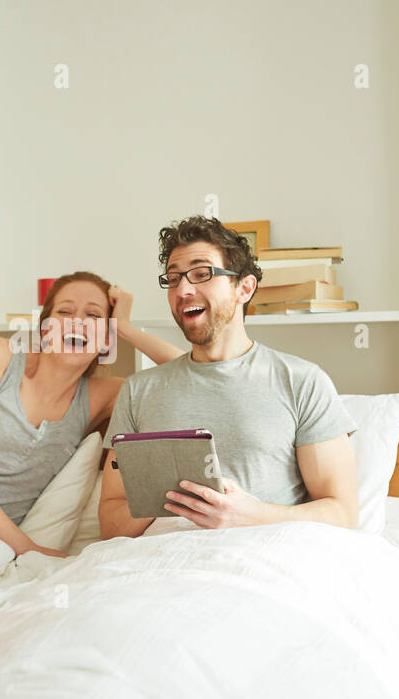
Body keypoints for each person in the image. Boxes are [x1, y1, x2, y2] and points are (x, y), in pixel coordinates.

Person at [98, 217, 360, 540]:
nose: (183, 289)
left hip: (258, 563)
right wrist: (164, 492)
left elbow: (342, 513)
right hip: (156, 569)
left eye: (201, 273)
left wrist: (250, 515)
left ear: (244, 288)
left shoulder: (302, 382)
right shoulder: (139, 391)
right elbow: (109, 525)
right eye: (174, 278)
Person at [0, 271, 182, 557]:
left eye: (93, 316)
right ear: (45, 328)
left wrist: (126, 328)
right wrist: (29, 550)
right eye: (64, 311)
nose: (76, 322)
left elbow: (186, 375)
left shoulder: (105, 395)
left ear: (107, 339)